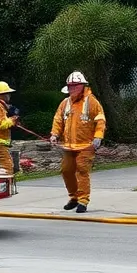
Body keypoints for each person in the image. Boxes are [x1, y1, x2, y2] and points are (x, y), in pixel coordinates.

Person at [50, 71, 106, 212]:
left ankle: (83, 200)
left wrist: (98, 136)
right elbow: (58, 120)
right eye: (70, 86)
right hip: (68, 146)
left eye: (75, 86)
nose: (72, 88)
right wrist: (54, 134)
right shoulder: (65, 103)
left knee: (82, 171)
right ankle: (74, 197)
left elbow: (100, 120)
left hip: (86, 145)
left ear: (83, 86)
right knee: (66, 171)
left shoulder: (92, 102)